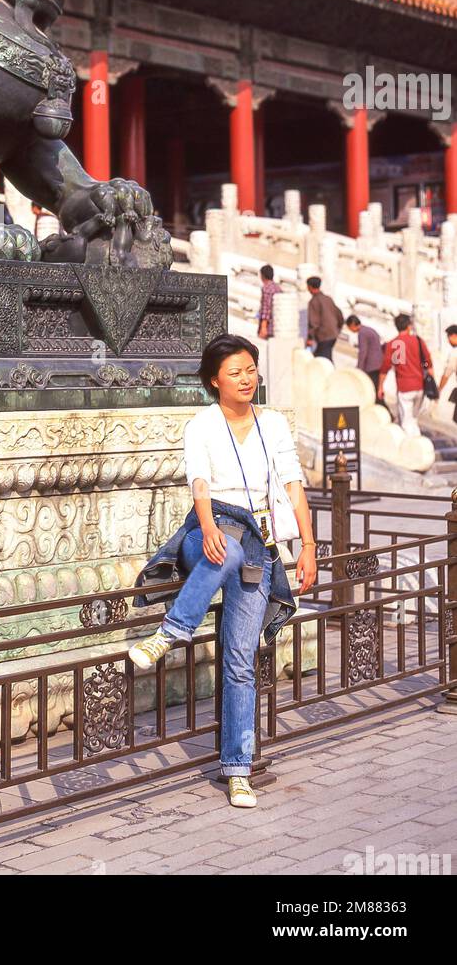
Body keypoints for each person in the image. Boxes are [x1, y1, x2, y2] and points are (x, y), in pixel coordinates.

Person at [129, 334, 316, 810]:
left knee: (239, 662)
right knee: (224, 552)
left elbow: (294, 485)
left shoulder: (272, 424)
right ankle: (172, 631)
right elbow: (199, 482)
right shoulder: (202, 425)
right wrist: (210, 526)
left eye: (251, 369)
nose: (247, 378)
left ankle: (238, 768)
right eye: (236, 372)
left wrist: (309, 547)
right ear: (215, 381)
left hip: (258, 542)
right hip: (207, 533)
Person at [378, 313, 431, 438]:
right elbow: (427, 362)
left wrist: (380, 386)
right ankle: (417, 443)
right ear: (409, 326)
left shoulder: (392, 344)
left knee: (406, 421)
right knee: (413, 419)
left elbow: (385, 368)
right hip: (419, 386)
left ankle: (410, 448)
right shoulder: (418, 341)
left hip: (404, 386)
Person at [305, 276, 344, 361]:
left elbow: (314, 322)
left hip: (324, 335)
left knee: (323, 361)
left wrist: (310, 338)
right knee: (323, 357)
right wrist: (338, 329)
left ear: (310, 287)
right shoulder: (328, 299)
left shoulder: (314, 302)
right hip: (333, 334)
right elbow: (339, 314)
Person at [346, 314, 384, 399]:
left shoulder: (362, 333)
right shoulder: (368, 329)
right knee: (376, 388)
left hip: (371, 365)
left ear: (352, 325)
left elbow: (363, 352)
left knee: (372, 389)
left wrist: (359, 368)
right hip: (378, 363)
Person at [256, 264, 281, 339]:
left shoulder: (266, 288)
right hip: (278, 326)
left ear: (262, 275)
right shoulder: (278, 288)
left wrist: (263, 328)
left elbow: (266, 309)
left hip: (268, 327)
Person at [439, 324, 457, 423]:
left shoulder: (455, 353)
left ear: (454, 336)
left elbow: (447, 374)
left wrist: (439, 389)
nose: (448, 341)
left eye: (449, 337)